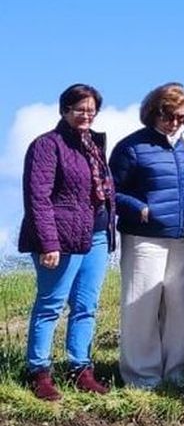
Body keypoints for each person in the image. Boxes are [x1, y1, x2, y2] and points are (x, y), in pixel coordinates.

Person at [20, 83, 115, 400]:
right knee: (51, 305)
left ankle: (80, 369)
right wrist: (49, 242)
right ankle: (38, 371)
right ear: (65, 110)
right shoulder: (47, 145)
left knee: (86, 306)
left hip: (97, 235)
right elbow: (38, 198)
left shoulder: (93, 146)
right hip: (60, 238)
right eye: (80, 109)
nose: (86, 115)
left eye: (91, 110)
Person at [111, 82, 184, 388]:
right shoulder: (132, 146)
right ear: (153, 113)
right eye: (167, 115)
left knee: (178, 307)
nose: (173, 122)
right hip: (144, 236)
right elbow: (112, 192)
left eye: (180, 116)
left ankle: (176, 372)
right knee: (140, 306)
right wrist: (140, 209)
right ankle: (141, 377)